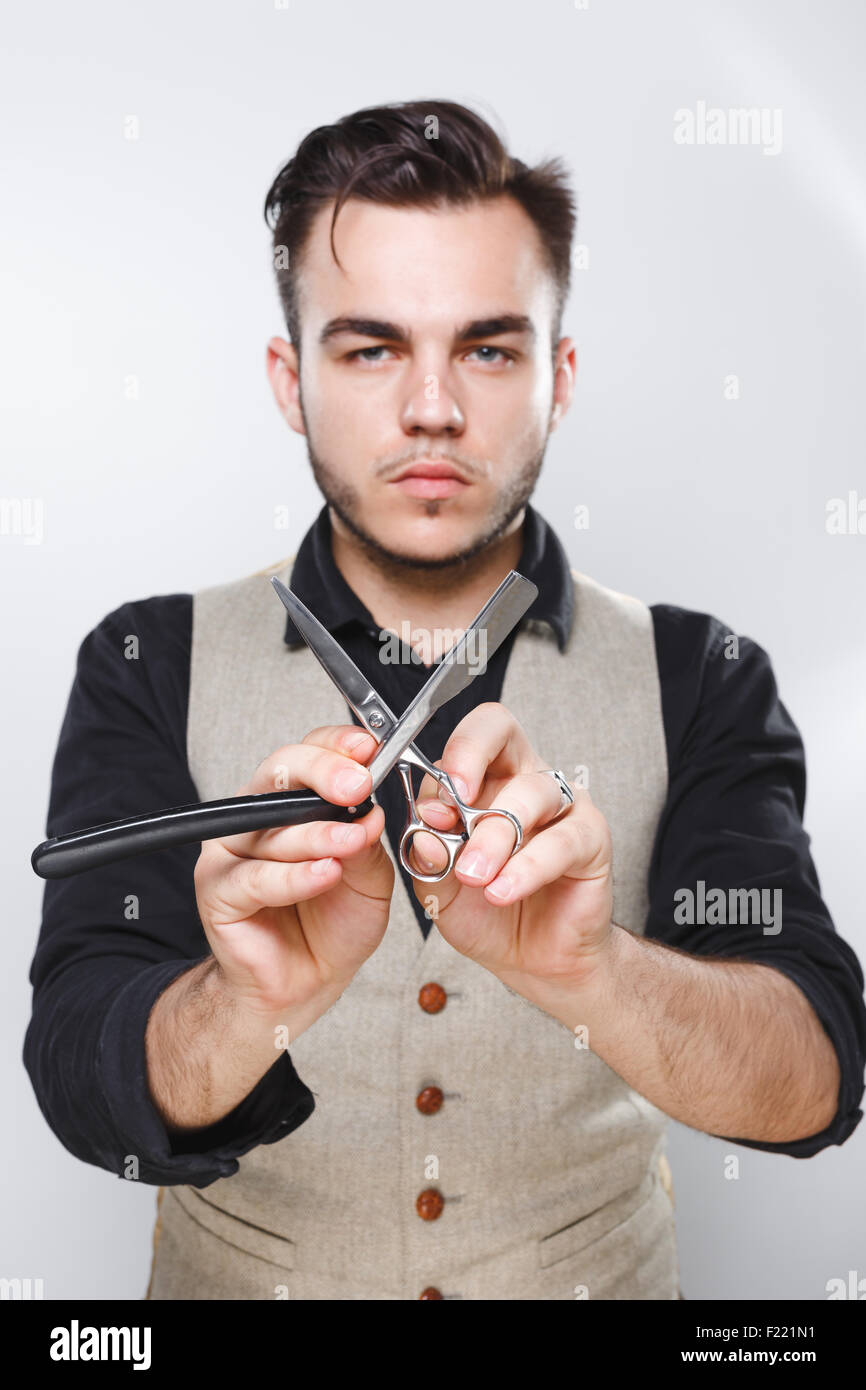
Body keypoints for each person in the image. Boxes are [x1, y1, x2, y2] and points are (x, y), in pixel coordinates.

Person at [25, 99, 865, 1301]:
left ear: (558, 374)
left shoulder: (702, 672)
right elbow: (75, 1068)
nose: (431, 408)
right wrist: (238, 1005)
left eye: (487, 347)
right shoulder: (145, 657)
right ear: (289, 377)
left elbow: (815, 1078)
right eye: (369, 348)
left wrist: (592, 975)